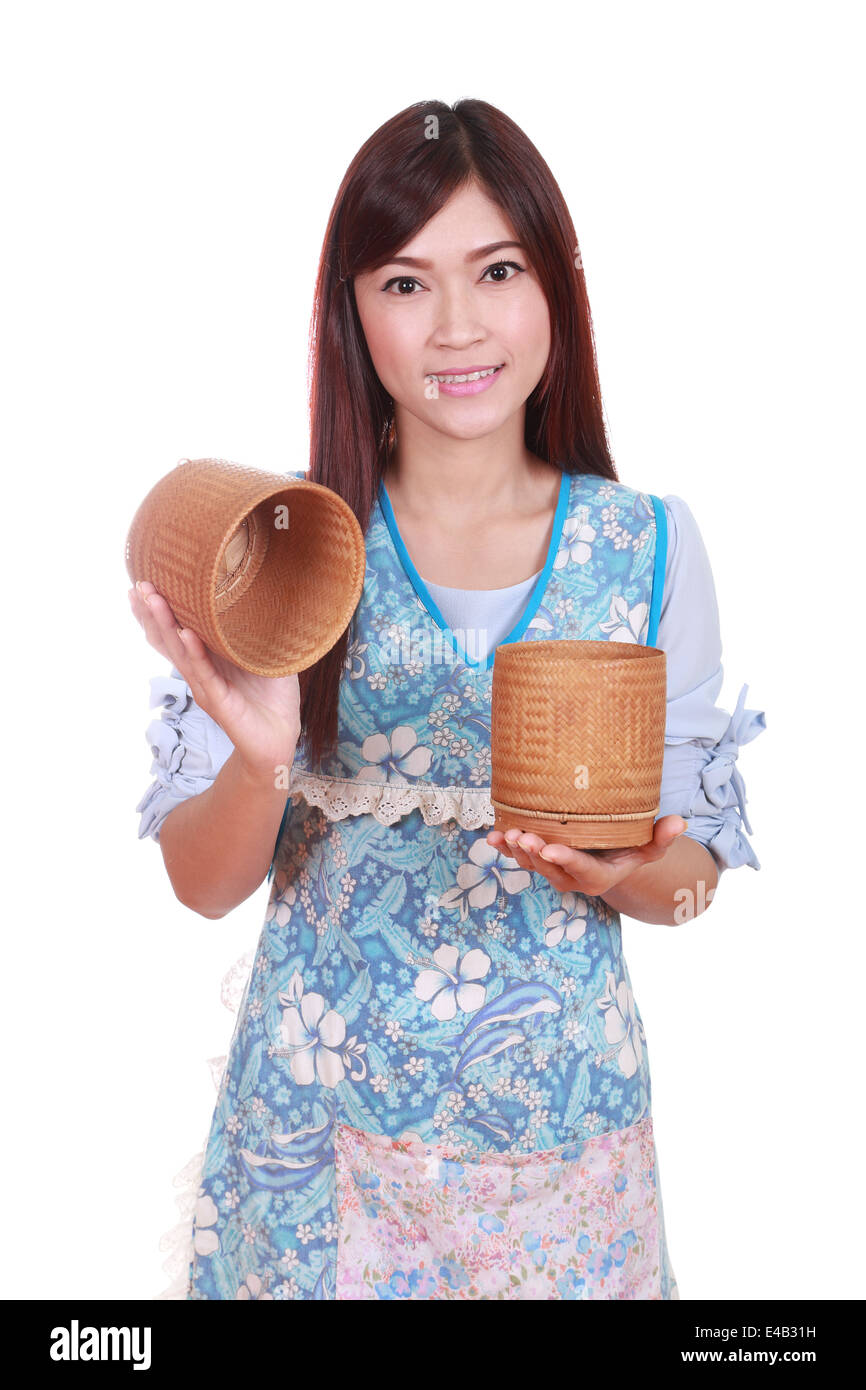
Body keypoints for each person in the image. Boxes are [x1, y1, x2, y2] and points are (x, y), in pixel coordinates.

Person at [129, 98, 766, 1301]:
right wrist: (265, 759)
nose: (458, 325)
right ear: (349, 307)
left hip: (563, 1141)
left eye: (496, 269)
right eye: (406, 283)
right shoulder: (285, 546)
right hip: (315, 1141)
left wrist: (624, 876)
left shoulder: (646, 548)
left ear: (555, 287)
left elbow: (691, 894)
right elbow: (201, 885)